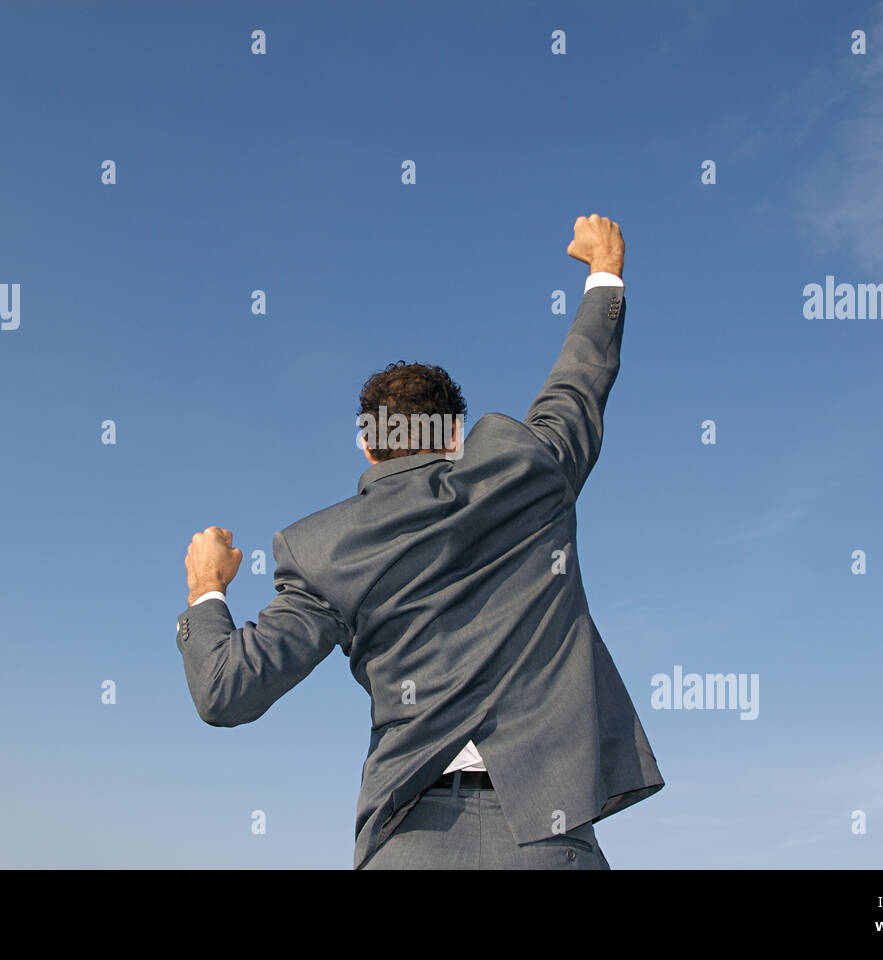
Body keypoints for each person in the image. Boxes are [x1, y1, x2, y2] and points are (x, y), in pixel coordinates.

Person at [177, 213, 664, 869]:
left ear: (369, 444)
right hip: (552, 838)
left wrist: (208, 590)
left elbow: (228, 690)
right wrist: (606, 268)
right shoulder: (527, 471)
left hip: (414, 839)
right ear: (454, 436)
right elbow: (580, 384)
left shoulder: (320, 548)